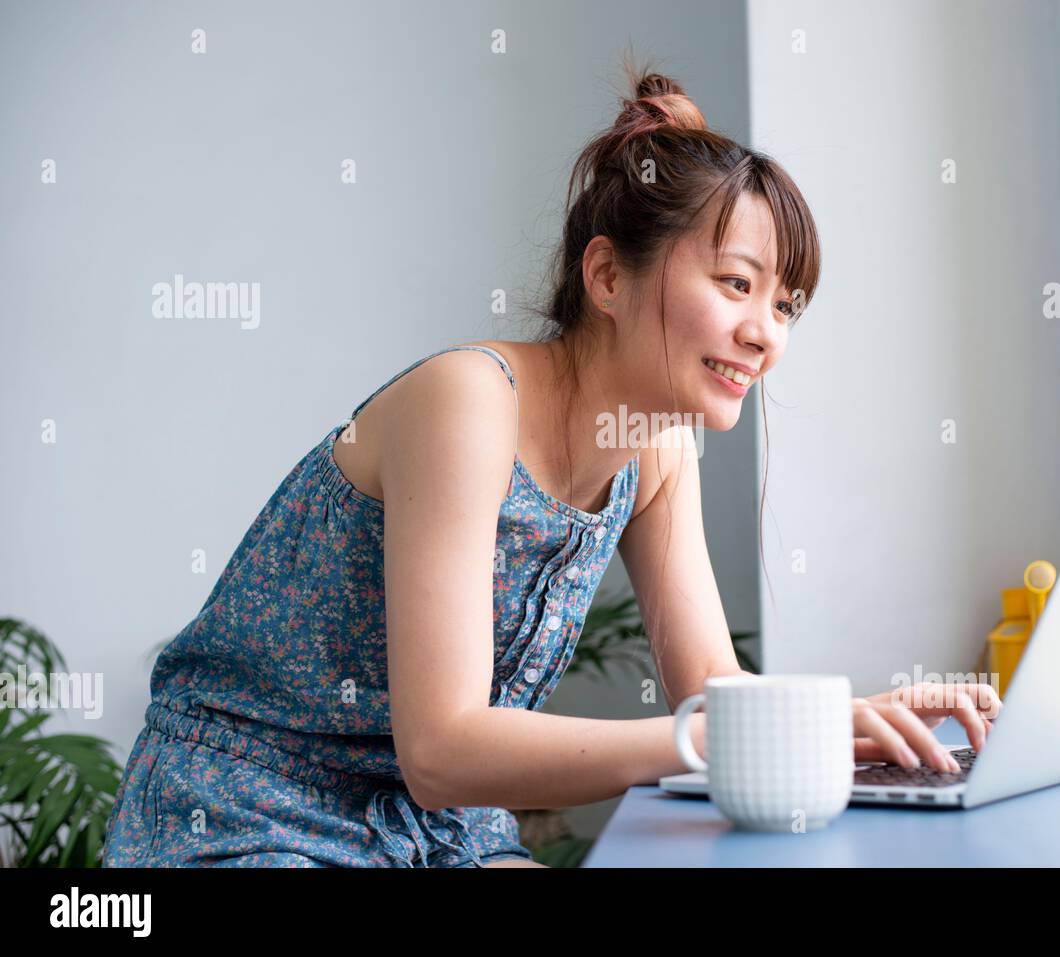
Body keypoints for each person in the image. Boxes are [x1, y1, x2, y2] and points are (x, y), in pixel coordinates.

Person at [102, 62, 998, 868]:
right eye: (736, 283)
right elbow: (444, 750)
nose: (767, 332)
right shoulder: (468, 403)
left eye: (787, 303)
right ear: (607, 277)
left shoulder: (659, 448)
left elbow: (714, 693)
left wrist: (863, 719)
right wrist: (716, 736)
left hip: (430, 831)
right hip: (249, 814)